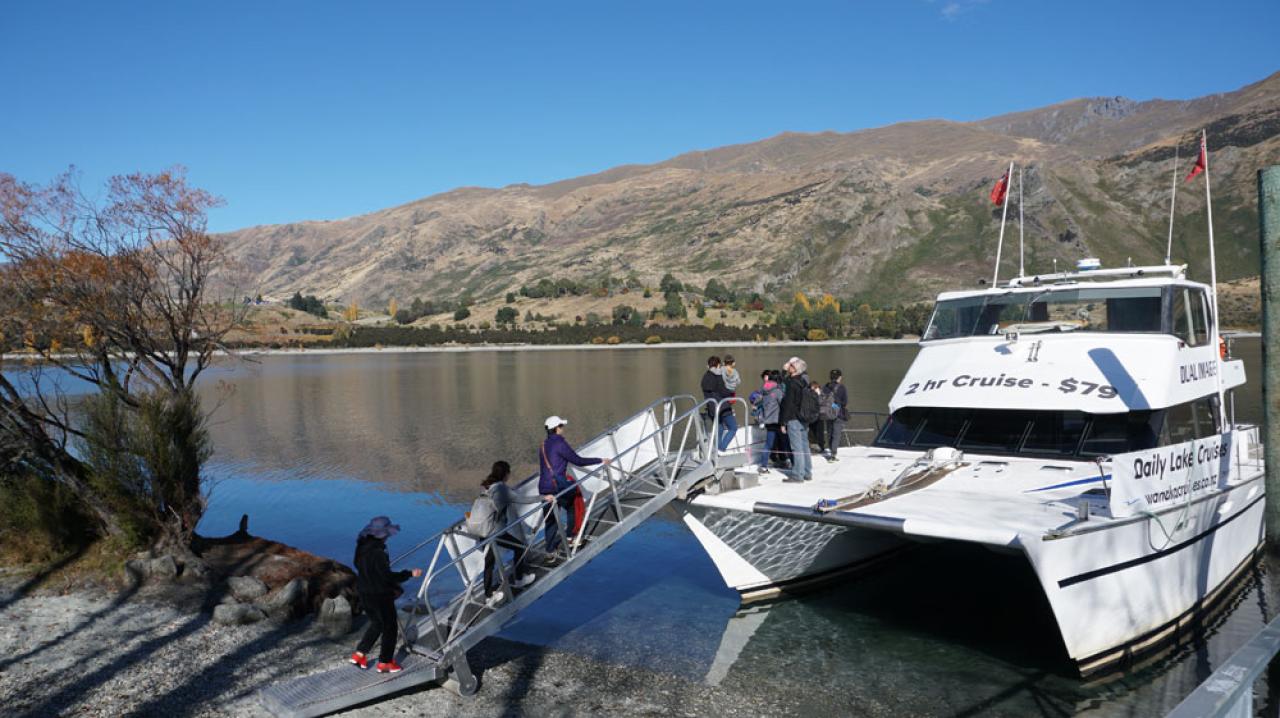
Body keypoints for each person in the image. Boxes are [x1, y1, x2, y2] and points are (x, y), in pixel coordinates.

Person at [350, 516, 422, 673]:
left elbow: (358, 566)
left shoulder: (361, 547)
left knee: (376, 623)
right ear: (383, 534)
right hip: (379, 594)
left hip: (363, 590)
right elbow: (387, 576)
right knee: (390, 627)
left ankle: (359, 654)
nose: (389, 536)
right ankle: (385, 662)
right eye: (387, 533)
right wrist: (409, 573)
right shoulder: (378, 552)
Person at [538, 416, 611, 560]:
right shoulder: (560, 443)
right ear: (557, 428)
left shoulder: (543, 445)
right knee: (573, 504)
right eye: (561, 426)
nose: (563, 429)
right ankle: (572, 537)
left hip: (544, 487)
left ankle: (550, 551)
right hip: (557, 486)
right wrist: (600, 460)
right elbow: (578, 461)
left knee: (551, 519)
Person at [475, 461, 537, 606]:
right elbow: (521, 499)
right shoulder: (501, 488)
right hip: (495, 532)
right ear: (506, 474)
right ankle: (519, 578)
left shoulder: (487, 487)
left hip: (483, 531)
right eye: (509, 472)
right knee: (520, 547)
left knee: (489, 562)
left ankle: (488, 595)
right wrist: (543, 498)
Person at [778, 357, 814, 482]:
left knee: (796, 447)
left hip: (793, 418)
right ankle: (807, 472)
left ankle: (797, 475)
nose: (789, 367)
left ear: (796, 369)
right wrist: (785, 370)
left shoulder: (791, 383)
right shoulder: (803, 381)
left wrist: (783, 422)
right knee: (805, 446)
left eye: (791, 366)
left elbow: (788, 404)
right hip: (804, 418)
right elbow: (783, 380)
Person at [700, 356, 736, 452]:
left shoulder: (705, 377)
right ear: (719, 365)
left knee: (719, 427)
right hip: (722, 407)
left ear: (708, 365)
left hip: (712, 408)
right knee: (733, 427)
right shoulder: (719, 376)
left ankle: (717, 449)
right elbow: (725, 392)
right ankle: (721, 448)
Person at [753, 369, 783, 474]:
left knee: (769, 443)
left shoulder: (764, 390)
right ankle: (787, 461)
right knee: (783, 441)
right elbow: (783, 404)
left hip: (768, 420)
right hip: (777, 420)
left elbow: (756, 401)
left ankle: (764, 465)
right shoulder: (777, 391)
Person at [821, 369, 849, 462]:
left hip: (827, 413)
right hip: (838, 414)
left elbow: (822, 399)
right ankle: (833, 454)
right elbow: (844, 402)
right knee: (836, 434)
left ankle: (830, 449)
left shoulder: (825, 386)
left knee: (829, 433)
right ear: (840, 377)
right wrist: (836, 406)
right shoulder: (842, 387)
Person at [808, 380, 825, 457]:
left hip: (819, 416)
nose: (813, 390)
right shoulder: (808, 394)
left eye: (814, 388)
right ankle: (812, 446)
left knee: (820, 432)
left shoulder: (822, 395)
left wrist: (819, 395)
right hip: (811, 416)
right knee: (811, 432)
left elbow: (823, 403)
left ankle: (821, 446)